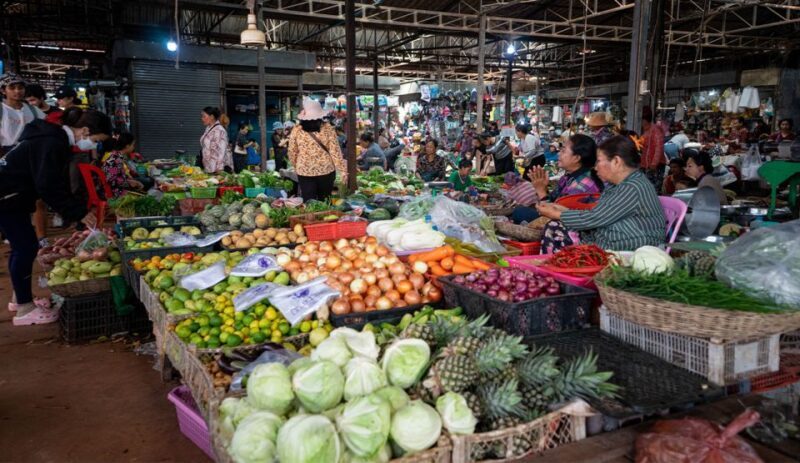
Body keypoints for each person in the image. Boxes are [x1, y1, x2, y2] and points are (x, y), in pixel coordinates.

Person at [0, 110, 106, 325]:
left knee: (23, 246)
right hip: (6, 196)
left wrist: (77, 210)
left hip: (10, 195)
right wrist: (79, 213)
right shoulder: (51, 142)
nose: (93, 147)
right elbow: (48, 186)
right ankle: (24, 310)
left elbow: (56, 184)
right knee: (25, 247)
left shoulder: (52, 138)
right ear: (85, 131)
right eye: (95, 141)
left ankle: (19, 298)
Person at [536, 135, 666, 251]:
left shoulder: (633, 187)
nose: (595, 167)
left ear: (616, 161)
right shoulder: (618, 186)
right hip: (619, 240)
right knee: (556, 226)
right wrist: (562, 211)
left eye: (598, 161)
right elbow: (599, 214)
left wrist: (558, 214)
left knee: (555, 227)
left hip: (638, 247)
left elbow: (595, 218)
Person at [512, 134, 604, 225]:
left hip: (569, 230)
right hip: (558, 221)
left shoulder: (582, 184)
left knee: (520, 212)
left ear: (576, 158)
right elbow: (553, 200)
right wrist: (543, 187)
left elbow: (554, 217)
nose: (559, 153)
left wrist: (541, 191)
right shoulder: (568, 177)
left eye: (563, 151)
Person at [287, 97, 347, 202]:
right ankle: (325, 217)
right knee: (325, 201)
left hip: (305, 171)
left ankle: (311, 217)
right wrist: (342, 170)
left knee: (309, 201)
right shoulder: (328, 128)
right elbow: (335, 151)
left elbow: (292, 152)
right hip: (326, 170)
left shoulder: (296, 130)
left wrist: (296, 166)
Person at [1, 73, 45, 154]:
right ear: (3, 90)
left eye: (20, 87)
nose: (17, 91)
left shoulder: (33, 110)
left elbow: (46, 126)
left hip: (30, 151)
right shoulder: (2, 109)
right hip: (6, 152)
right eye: (12, 88)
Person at [101, 133, 145, 198]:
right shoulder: (115, 159)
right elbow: (112, 181)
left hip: (119, 189)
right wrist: (129, 183)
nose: (133, 147)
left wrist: (132, 181)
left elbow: (118, 176)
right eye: (133, 145)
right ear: (127, 146)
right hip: (115, 193)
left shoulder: (117, 156)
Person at [199, 106, 232, 174]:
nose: (202, 119)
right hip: (209, 167)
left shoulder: (219, 130)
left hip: (217, 170)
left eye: (204, 116)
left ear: (212, 117)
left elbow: (221, 151)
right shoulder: (208, 129)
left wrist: (219, 169)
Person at [641, 106, 666, 193]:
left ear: (644, 119)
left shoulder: (655, 130)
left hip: (655, 166)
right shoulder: (645, 130)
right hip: (646, 165)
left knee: (653, 190)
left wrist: (654, 164)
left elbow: (659, 147)